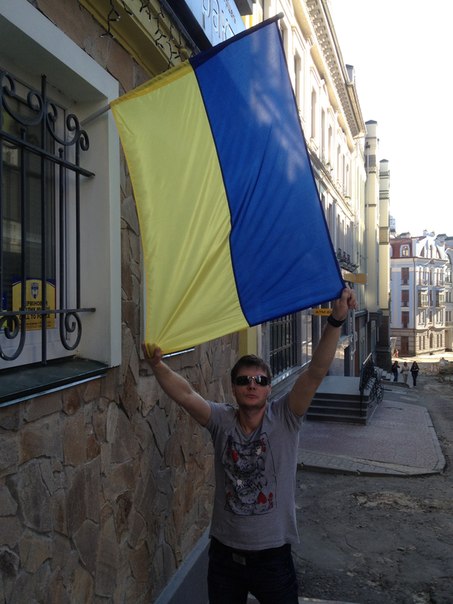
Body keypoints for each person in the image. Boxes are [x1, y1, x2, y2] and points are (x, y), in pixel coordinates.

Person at [143, 287, 357, 604]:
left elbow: (315, 371)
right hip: (224, 559)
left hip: (272, 559)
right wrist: (158, 365)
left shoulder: (285, 417)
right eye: (244, 380)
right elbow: (187, 396)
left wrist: (336, 320)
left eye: (260, 380)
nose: (252, 385)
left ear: (269, 388)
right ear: (234, 388)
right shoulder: (221, 420)